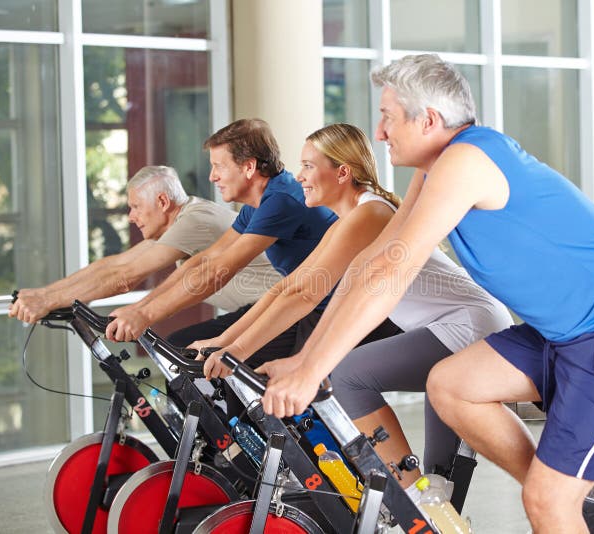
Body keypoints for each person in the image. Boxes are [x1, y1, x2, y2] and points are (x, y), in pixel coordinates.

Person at [258, 54, 594, 533]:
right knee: (452, 385)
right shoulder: (436, 168)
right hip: (561, 335)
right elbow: (370, 265)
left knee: (547, 501)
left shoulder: (467, 159)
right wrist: (307, 361)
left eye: (388, 118)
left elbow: (391, 272)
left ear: (429, 120)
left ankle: (559, 499)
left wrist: (313, 370)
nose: (380, 133)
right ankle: (566, 497)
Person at [202, 123, 510, 485]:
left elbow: (305, 295)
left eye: (308, 166)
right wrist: (247, 349)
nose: (299, 176)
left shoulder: (370, 214)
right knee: (443, 477)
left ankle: (410, 496)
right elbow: (297, 289)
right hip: (451, 328)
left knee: (348, 375)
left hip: (467, 324)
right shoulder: (348, 221)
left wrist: (237, 349)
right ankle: (432, 509)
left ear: (343, 172)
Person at [104, 119, 341, 369]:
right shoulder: (261, 201)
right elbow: (206, 259)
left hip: (323, 309)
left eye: (219, 166)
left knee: (216, 363)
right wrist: (140, 308)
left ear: (249, 167)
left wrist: (145, 316)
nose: (212, 176)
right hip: (298, 302)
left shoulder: (281, 201)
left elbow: (219, 271)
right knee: (184, 347)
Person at [9, 165, 279, 324]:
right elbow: (116, 264)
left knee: (189, 359)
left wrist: (48, 301)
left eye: (136, 207)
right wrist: (43, 295)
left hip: (284, 314)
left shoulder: (195, 221)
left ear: (162, 202)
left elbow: (124, 278)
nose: (131, 217)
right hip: (260, 314)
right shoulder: (180, 221)